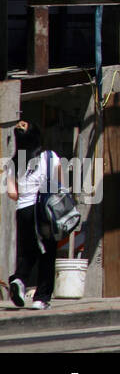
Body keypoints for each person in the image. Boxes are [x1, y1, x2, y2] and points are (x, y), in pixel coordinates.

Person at [5, 120, 57, 309]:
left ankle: (19, 279)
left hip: (23, 210)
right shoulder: (49, 157)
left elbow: (12, 193)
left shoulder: (13, 162)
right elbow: (59, 183)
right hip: (44, 210)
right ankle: (41, 298)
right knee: (47, 252)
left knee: (29, 251)